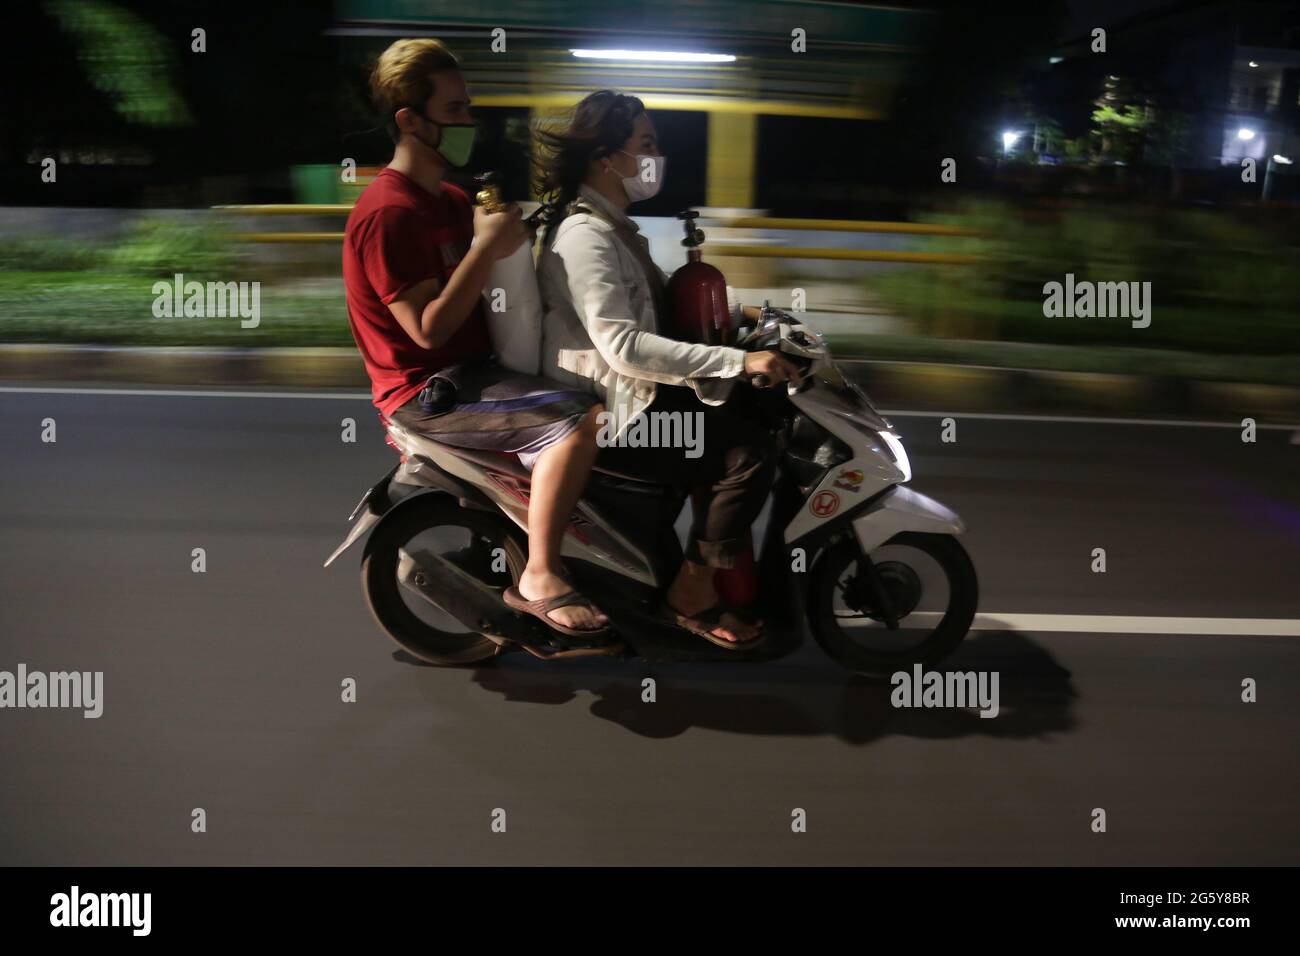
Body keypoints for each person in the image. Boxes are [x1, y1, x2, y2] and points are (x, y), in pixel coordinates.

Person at [343, 39, 609, 638]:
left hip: (475, 369)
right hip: (427, 391)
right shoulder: (389, 212)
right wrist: (486, 246)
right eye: (456, 110)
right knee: (582, 422)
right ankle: (540, 574)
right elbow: (427, 327)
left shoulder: (453, 198)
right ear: (411, 121)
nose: (469, 123)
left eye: (468, 108)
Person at [533, 91, 803, 649]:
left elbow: (654, 308)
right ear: (608, 157)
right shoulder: (585, 236)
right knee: (749, 455)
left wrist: (747, 316)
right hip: (617, 415)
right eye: (647, 145)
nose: (658, 157)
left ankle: (697, 563)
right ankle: (693, 591)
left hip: (636, 397)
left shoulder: (614, 229)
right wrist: (738, 359)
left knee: (750, 413)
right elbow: (625, 345)